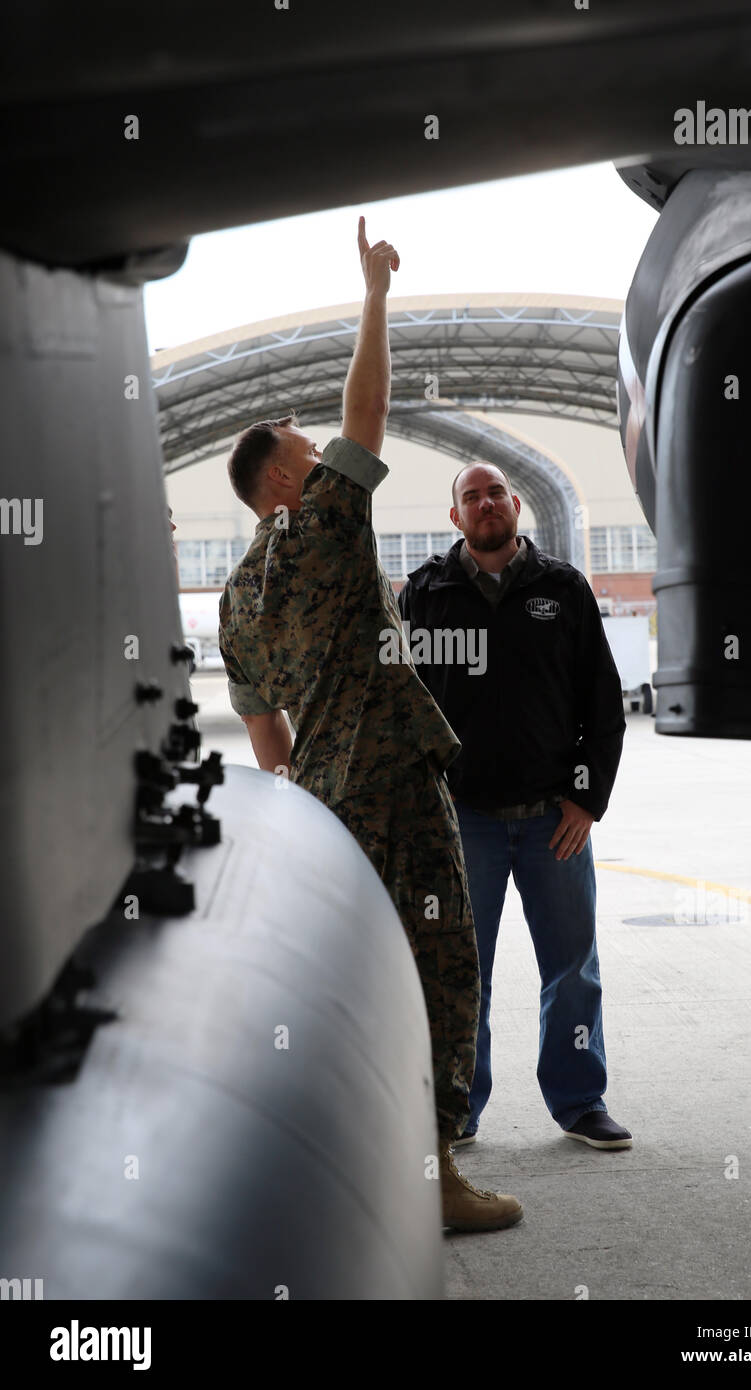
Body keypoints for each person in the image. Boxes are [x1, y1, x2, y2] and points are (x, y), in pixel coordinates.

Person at [217, 219, 522, 1232]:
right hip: (392, 787)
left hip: (324, 807)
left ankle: (339, 1171)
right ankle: (433, 1180)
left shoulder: (234, 595)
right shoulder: (322, 528)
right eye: (308, 455)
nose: (325, 458)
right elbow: (369, 409)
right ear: (282, 485)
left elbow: (263, 735)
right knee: (437, 971)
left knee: (346, 983)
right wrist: (376, 294)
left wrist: (308, 804)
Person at [398, 462, 631, 1150]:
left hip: (551, 821)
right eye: (470, 496)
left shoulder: (562, 589)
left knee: (572, 966)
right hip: (462, 817)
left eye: (495, 491)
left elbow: (603, 704)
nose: (485, 503)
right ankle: (458, 1106)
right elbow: (402, 706)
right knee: (463, 972)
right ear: (455, 518)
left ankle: (580, 1099)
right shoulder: (425, 593)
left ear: (516, 502)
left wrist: (586, 801)